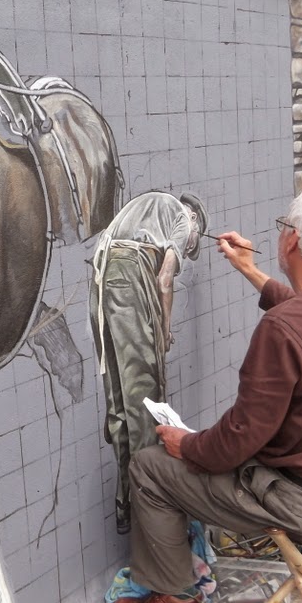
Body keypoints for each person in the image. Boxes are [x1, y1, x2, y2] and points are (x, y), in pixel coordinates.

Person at [110, 185, 302, 603]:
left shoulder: (283, 330)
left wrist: (185, 443)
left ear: (291, 241)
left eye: (284, 226)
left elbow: (234, 443)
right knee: (294, 440)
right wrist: (250, 270)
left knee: (149, 467)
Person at [89, 191, 209, 534]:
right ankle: (149, 514)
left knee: (120, 399)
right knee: (145, 397)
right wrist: (165, 328)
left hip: (102, 276)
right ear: (196, 221)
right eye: (191, 246)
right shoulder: (181, 217)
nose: (188, 249)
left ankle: (125, 502)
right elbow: (165, 278)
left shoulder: (146, 207)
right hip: (131, 272)